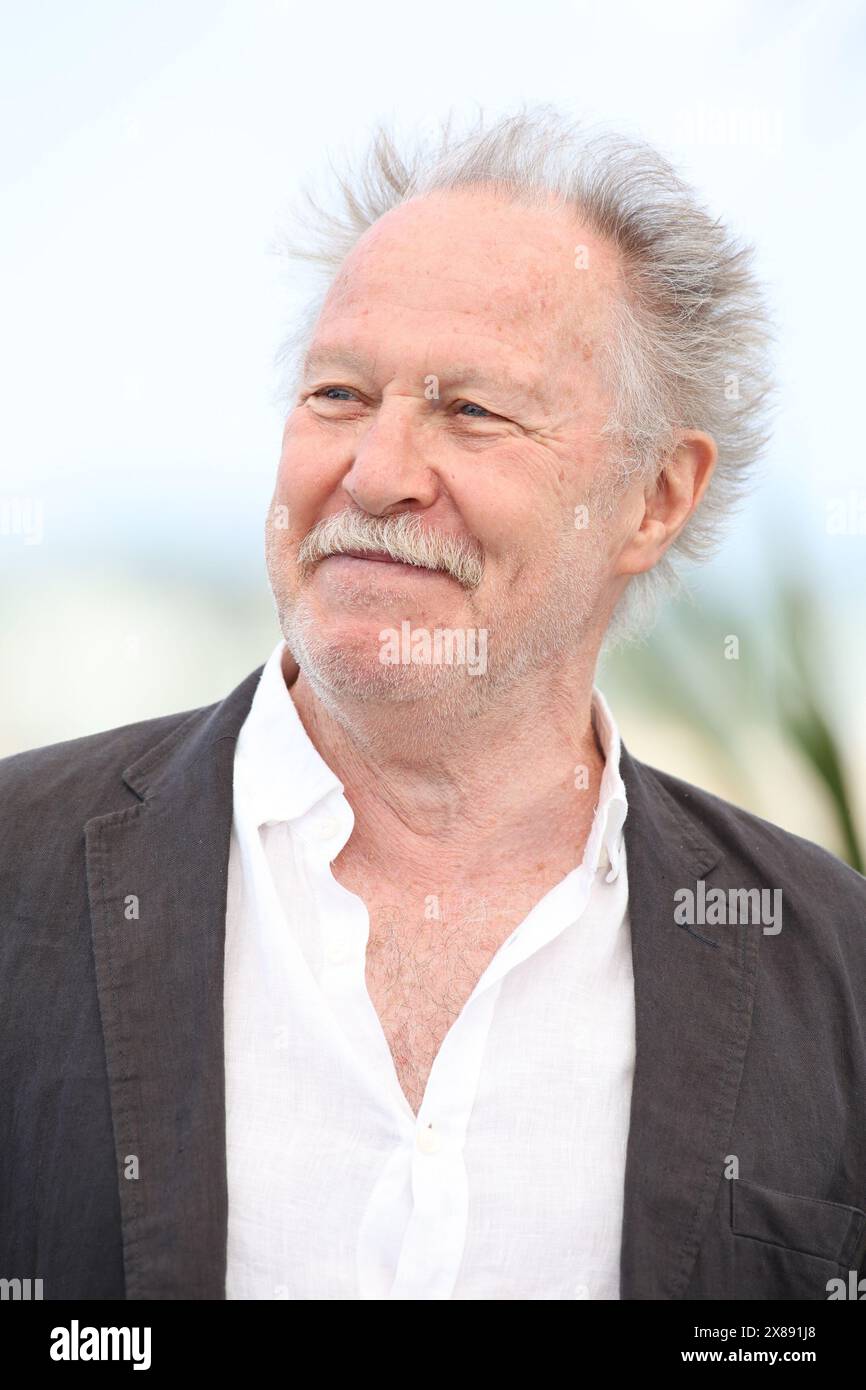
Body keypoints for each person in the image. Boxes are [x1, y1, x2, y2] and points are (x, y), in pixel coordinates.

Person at [2, 107, 865, 1301]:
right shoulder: (16, 869)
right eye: (340, 394)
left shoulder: (831, 965)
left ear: (654, 497)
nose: (376, 474)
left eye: (471, 411)